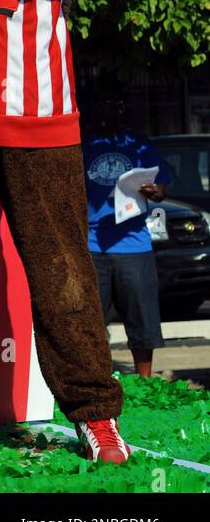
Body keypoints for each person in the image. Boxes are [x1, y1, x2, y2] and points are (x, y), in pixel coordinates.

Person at [82, 91, 172, 379]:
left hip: (133, 244)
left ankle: (144, 380)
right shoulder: (81, 142)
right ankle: (97, 378)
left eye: (111, 104)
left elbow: (161, 189)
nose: (104, 110)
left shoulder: (136, 143)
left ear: (120, 108)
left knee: (141, 318)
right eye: (99, 104)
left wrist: (153, 190)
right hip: (92, 244)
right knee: (92, 320)